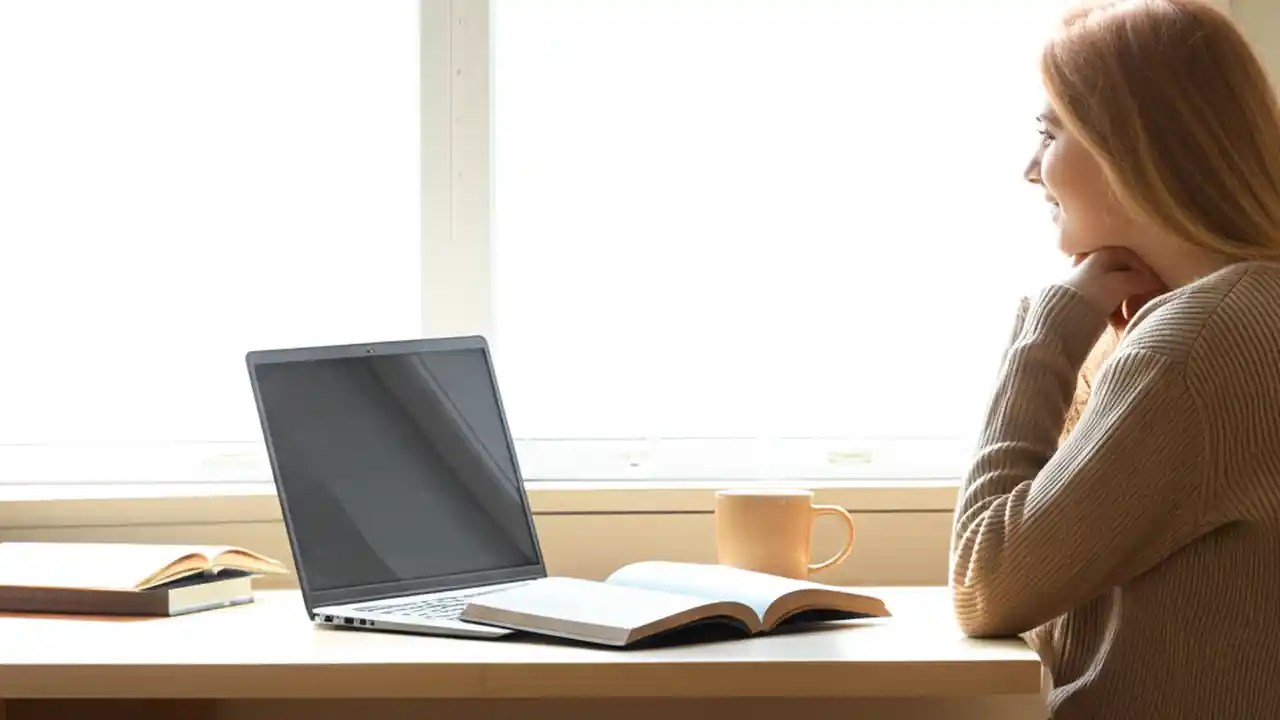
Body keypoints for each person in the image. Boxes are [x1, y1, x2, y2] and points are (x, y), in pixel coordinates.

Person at [949, 0, 1280, 717]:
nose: (1030, 169)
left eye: (1048, 133)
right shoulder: (1242, 314)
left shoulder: (1196, 347)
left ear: (1129, 147)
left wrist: (1045, 336)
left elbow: (985, 581)